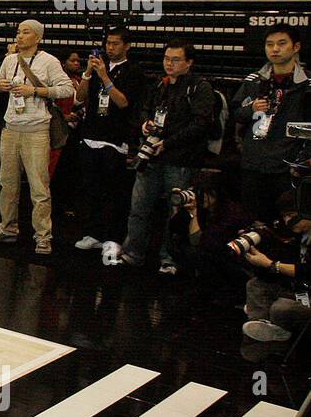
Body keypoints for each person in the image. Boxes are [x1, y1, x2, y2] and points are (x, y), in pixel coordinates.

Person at [113, 39, 215, 273]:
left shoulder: (199, 88)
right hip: (151, 157)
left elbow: (201, 124)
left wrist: (168, 143)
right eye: (166, 59)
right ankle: (133, 252)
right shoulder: (160, 84)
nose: (169, 64)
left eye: (176, 59)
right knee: (139, 207)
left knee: (175, 212)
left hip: (181, 160)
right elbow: (144, 111)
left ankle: (170, 258)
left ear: (189, 62)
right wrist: (145, 125)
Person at [0, 19, 74, 255]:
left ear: (38, 37)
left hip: (36, 129)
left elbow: (67, 89)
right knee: (8, 184)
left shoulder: (49, 61)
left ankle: (43, 236)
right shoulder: (9, 59)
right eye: (18, 32)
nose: (20, 36)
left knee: (39, 187)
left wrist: (35, 90)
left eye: (26, 32)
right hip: (11, 127)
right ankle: (7, 227)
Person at [73, 27, 145, 256]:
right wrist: (87, 73)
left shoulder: (134, 71)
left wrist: (104, 76)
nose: (110, 48)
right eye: (108, 43)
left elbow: (123, 103)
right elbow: (80, 98)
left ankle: (113, 236)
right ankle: (92, 232)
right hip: (90, 135)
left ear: (127, 46)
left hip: (114, 140)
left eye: (115, 43)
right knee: (91, 188)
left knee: (113, 193)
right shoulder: (95, 68)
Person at [232, 22, 309, 222]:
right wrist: (251, 109)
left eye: (282, 43)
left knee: (288, 226)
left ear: (296, 47)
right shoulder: (253, 81)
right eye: (269, 44)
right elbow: (236, 114)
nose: (275, 49)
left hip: (288, 168)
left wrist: (300, 163)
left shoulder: (307, 84)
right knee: (253, 223)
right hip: (253, 166)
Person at [241, 189, 311, 343]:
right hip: (299, 289)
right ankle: (263, 322)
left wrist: (271, 264)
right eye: (285, 216)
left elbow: (305, 271)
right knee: (255, 285)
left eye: (291, 216)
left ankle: (278, 328)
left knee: (280, 308)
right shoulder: (300, 234)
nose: (287, 221)